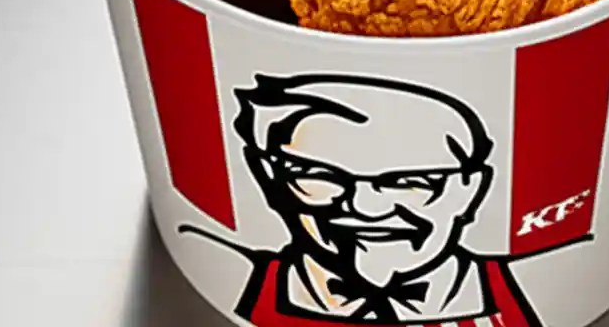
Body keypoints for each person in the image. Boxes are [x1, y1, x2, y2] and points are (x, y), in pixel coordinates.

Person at [183, 73, 540, 326]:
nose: (367, 208)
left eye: (411, 181)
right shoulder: (219, 266)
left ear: (470, 188)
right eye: (320, 177)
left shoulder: (532, 281)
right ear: (267, 176)